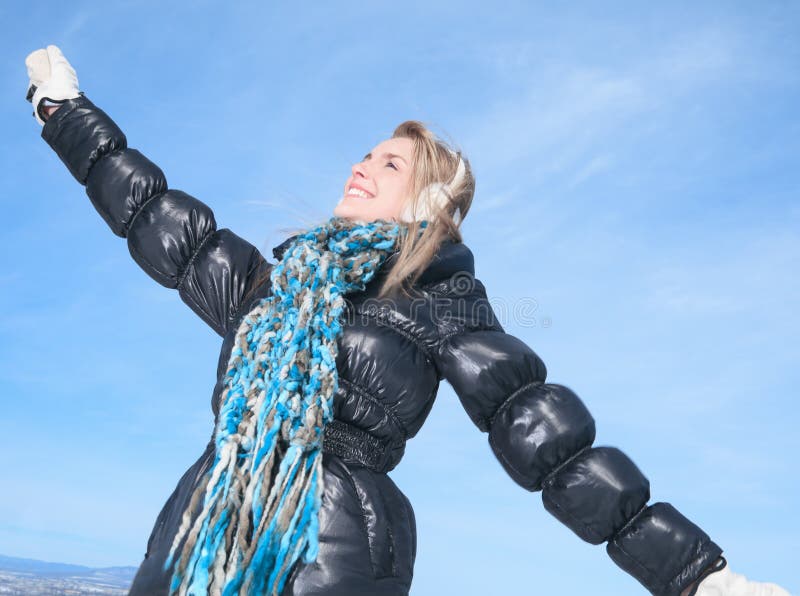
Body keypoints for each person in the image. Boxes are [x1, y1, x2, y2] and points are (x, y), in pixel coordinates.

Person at [24, 45, 790, 596]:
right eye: (365, 154)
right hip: (203, 521)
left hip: (333, 540)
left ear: (428, 205)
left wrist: (698, 577)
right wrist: (65, 113)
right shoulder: (271, 288)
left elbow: (551, 444)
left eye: (389, 164)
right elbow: (156, 218)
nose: (361, 166)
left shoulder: (440, 301)